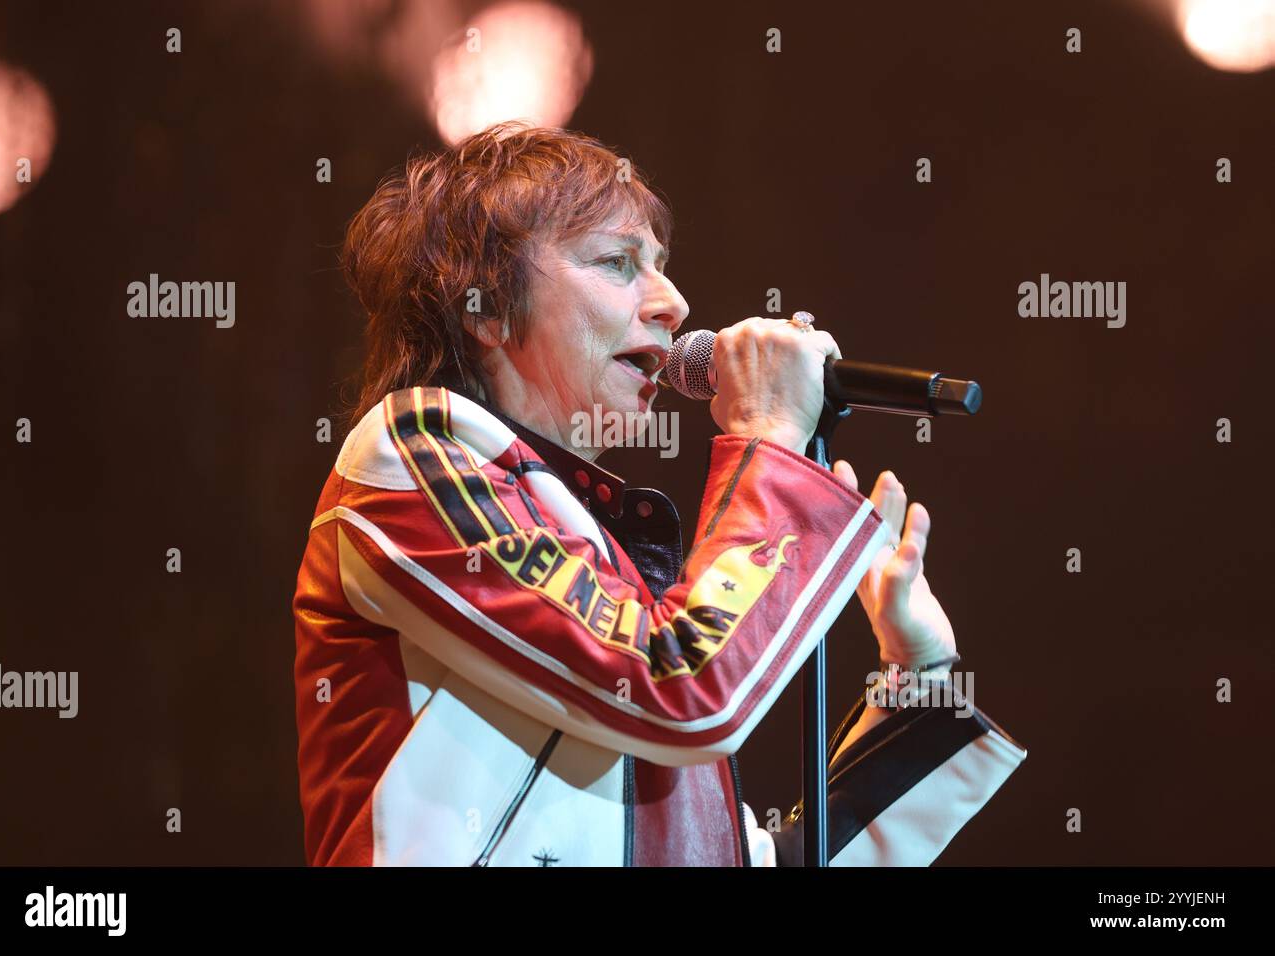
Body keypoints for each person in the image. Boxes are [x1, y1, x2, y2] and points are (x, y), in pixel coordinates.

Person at [292, 121, 1026, 866]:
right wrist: (771, 437)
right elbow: (675, 684)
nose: (673, 303)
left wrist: (920, 679)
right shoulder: (411, 453)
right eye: (618, 262)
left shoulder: (601, 565)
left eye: (663, 266)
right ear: (483, 308)